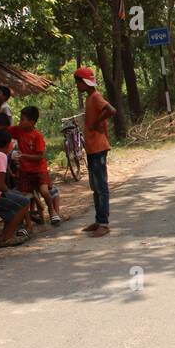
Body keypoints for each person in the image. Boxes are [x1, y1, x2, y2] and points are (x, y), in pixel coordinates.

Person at [76, 65, 115, 236]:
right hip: (93, 148)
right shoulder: (90, 97)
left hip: (98, 147)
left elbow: (111, 110)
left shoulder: (96, 96)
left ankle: (104, 224)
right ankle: (99, 219)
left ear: (84, 82)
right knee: (95, 186)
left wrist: (97, 122)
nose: (77, 86)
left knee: (101, 186)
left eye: (78, 82)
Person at [10, 105, 61, 225]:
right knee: (22, 197)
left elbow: (40, 157)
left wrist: (23, 156)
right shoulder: (17, 130)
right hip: (25, 171)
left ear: (31, 122)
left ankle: (52, 210)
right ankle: (25, 224)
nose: (20, 122)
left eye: (22, 119)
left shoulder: (37, 136)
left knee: (44, 191)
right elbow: (5, 130)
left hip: (39, 170)